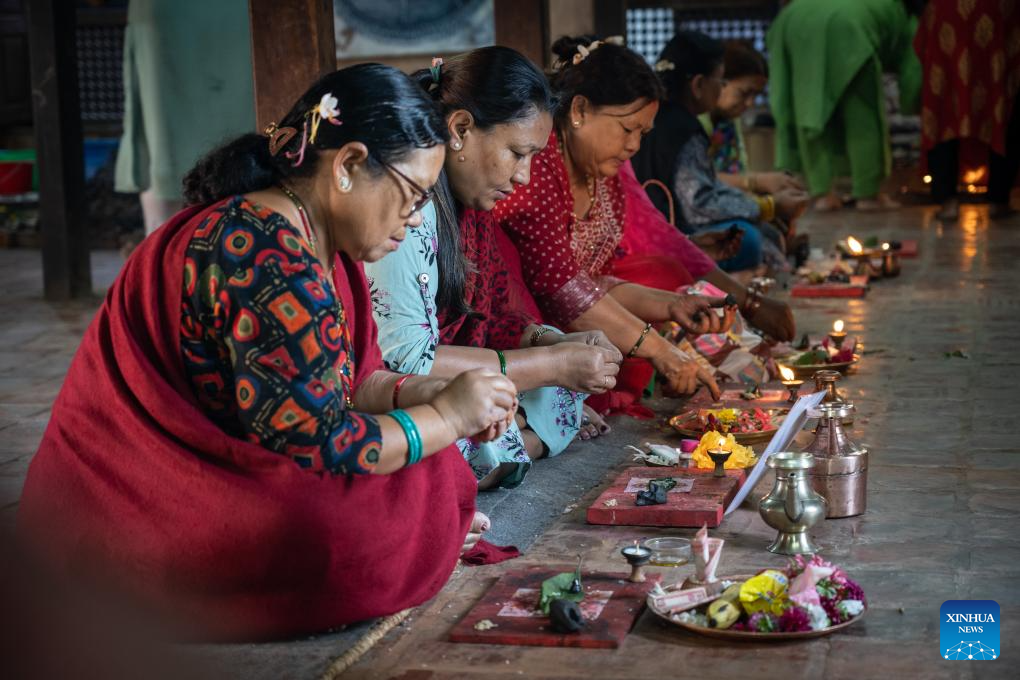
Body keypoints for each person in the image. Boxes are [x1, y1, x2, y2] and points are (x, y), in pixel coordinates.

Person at [18, 65, 519, 641]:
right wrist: (450, 415)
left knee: (430, 467)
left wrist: (428, 393)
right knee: (358, 522)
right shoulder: (264, 256)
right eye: (411, 197)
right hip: (135, 504)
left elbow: (350, 381)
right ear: (349, 166)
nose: (414, 219)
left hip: (225, 468)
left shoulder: (310, 240)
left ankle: (424, 526)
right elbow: (328, 447)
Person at [365, 47, 622, 490]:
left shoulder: (472, 206)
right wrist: (551, 363)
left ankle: (510, 442)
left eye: (533, 159)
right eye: (517, 153)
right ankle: (518, 445)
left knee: (556, 389)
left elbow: (496, 317)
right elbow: (406, 362)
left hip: (449, 389)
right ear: (461, 129)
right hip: (393, 397)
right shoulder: (409, 208)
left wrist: (554, 341)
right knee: (446, 434)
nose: (524, 176)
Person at [494, 36, 796, 410]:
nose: (635, 145)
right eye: (627, 129)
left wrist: (673, 306)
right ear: (581, 111)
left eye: (643, 134)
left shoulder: (601, 175)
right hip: (525, 324)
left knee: (668, 284)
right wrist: (660, 349)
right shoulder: (539, 167)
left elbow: (595, 281)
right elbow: (561, 289)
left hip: (572, 317)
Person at [631, 31, 807, 274]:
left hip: (658, 228)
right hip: (663, 235)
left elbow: (707, 183)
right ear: (699, 85)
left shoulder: (667, 117)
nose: (721, 88)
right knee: (748, 239)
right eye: (720, 81)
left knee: (759, 232)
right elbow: (700, 203)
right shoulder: (683, 128)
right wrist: (767, 206)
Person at [115, 0, 256, 235]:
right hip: (177, 16)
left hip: (244, 14)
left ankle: (163, 252)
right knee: (161, 140)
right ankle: (162, 252)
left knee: (162, 141)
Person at [767, 0, 922, 212]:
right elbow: (913, 70)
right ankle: (868, 194)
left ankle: (821, 193)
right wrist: (913, 106)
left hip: (793, 19)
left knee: (809, 110)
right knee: (863, 115)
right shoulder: (908, 17)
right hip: (849, 29)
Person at [914, 0, 1020, 220]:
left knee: (944, 104)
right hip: (996, 12)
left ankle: (947, 201)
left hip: (947, 11)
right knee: (1002, 100)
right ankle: (998, 200)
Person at [699, 40, 805, 199]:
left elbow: (738, 171)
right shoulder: (694, 122)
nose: (750, 103)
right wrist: (757, 182)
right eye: (745, 92)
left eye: (756, 95)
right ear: (718, 81)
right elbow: (696, 179)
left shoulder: (728, 122)